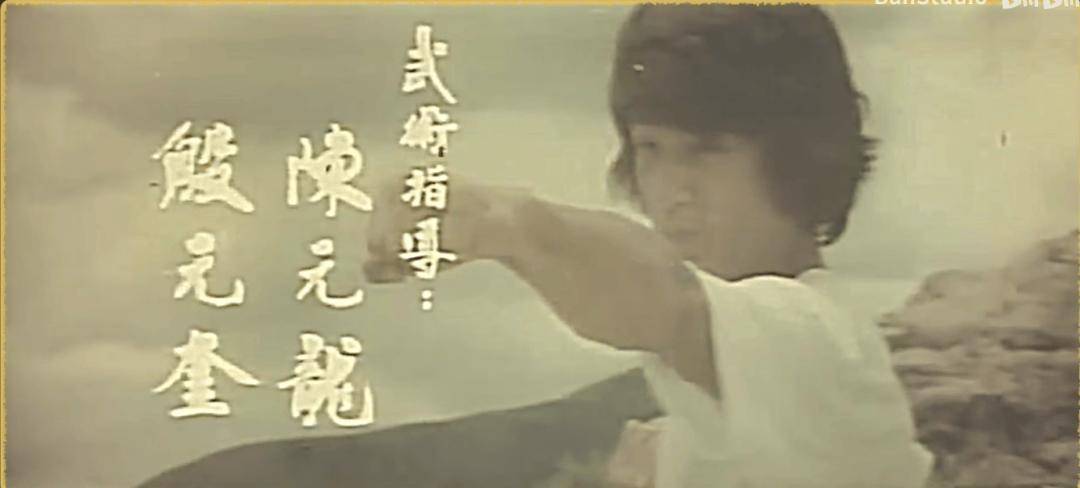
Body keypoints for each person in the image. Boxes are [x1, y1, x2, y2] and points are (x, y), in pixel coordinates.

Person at [364, 4, 933, 488]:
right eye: (651, 149)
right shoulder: (718, 398)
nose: (672, 191)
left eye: (708, 149)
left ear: (802, 158)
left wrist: (508, 223)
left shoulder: (822, 343)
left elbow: (674, 302)